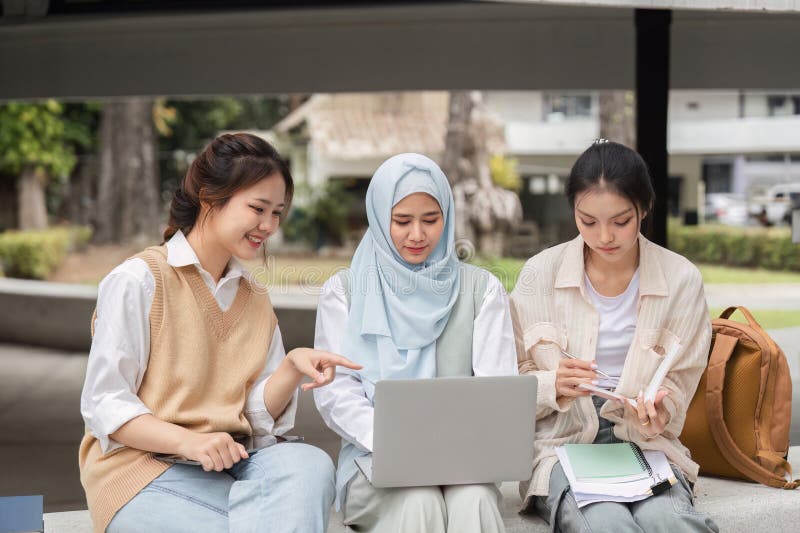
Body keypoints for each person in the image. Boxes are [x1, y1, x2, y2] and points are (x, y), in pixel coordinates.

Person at [79, 133, 360, 533]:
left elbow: (253, 417)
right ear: (210, 198)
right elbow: (105, 404)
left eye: (278, 212)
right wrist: (189, 442)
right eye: (258, 208)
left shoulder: (254, 296)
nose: (269, 225)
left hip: (230, 467)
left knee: (310, 464)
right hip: (142, 471)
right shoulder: (139, 281)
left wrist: (292, 368)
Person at [510, 140, 719, 532]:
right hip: (563, 445)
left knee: (672, 523)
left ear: (644, 207)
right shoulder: (539, 274)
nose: (604, 236)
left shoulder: (681, 279)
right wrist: (552, 385)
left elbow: (680, 381)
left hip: (647, 443)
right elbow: (506, 380)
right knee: (605, 525)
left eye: (621, 221)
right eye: (587, 221)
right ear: (573, 209)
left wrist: (661, 410)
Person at [313, 153, 518, 533]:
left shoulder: (482, 289)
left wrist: (452, 453)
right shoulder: (345, 292)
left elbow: (498, 389)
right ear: (377, 218)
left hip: (465, 461)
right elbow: (336, 394)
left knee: (473, 501)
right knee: (417, 499)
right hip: (374, 459)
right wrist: (398, 445)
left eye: (431, 220)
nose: (418, 235)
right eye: (402, 221)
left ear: (448, 218)